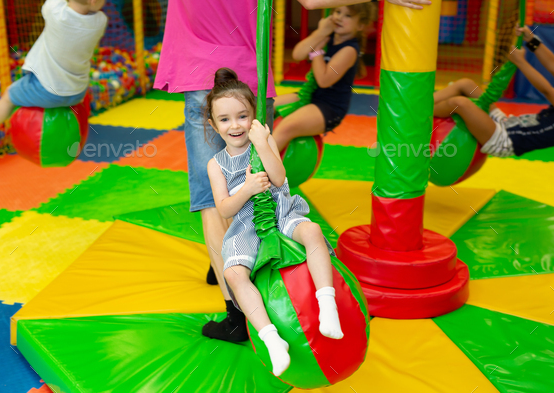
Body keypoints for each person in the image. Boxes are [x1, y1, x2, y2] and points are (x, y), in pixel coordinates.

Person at [154, 0, 431, 344]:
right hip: (251, 76)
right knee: (255, 181)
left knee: (215, 196)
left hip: (201, 70)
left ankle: (237, 314)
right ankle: (238, 264)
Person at [206, 68, 340, 377]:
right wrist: (247, 190)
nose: (235, 125)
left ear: (253, 115)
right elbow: (224, 209)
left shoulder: (261, 142)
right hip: (245, 226)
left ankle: (327, 304)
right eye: (225, 119)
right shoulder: (216, 164)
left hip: (281, 212)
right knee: (233, 274)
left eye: (242, 116)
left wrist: (265, 143)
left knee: (313, 231)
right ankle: (271, 338)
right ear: (213, 125)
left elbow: (279, 178)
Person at [0, 0, 107, 144]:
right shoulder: (100, 22)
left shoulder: (55, 12)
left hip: (47, 91)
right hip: (77, 93)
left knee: (8, 96)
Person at [433, 26, 554, 157]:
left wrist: (521, 62)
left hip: (502, 139)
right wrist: (531, 40)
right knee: (466, 85)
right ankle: (420, 104)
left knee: (459, 103)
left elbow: (547, 91)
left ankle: (419, 114)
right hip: (505, 122)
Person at [272, 4, 375, 152]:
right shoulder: (328, 36)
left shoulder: (349, 50)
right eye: (338, 11)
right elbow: (297, 54)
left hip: (329, 107)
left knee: (285, 128)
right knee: (266, 106)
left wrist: (317, 52)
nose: (339, 17)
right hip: (311, 96)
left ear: (360, 25)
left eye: (348, 15)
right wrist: (320, 33)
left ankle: (262, 170)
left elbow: (324, 80)